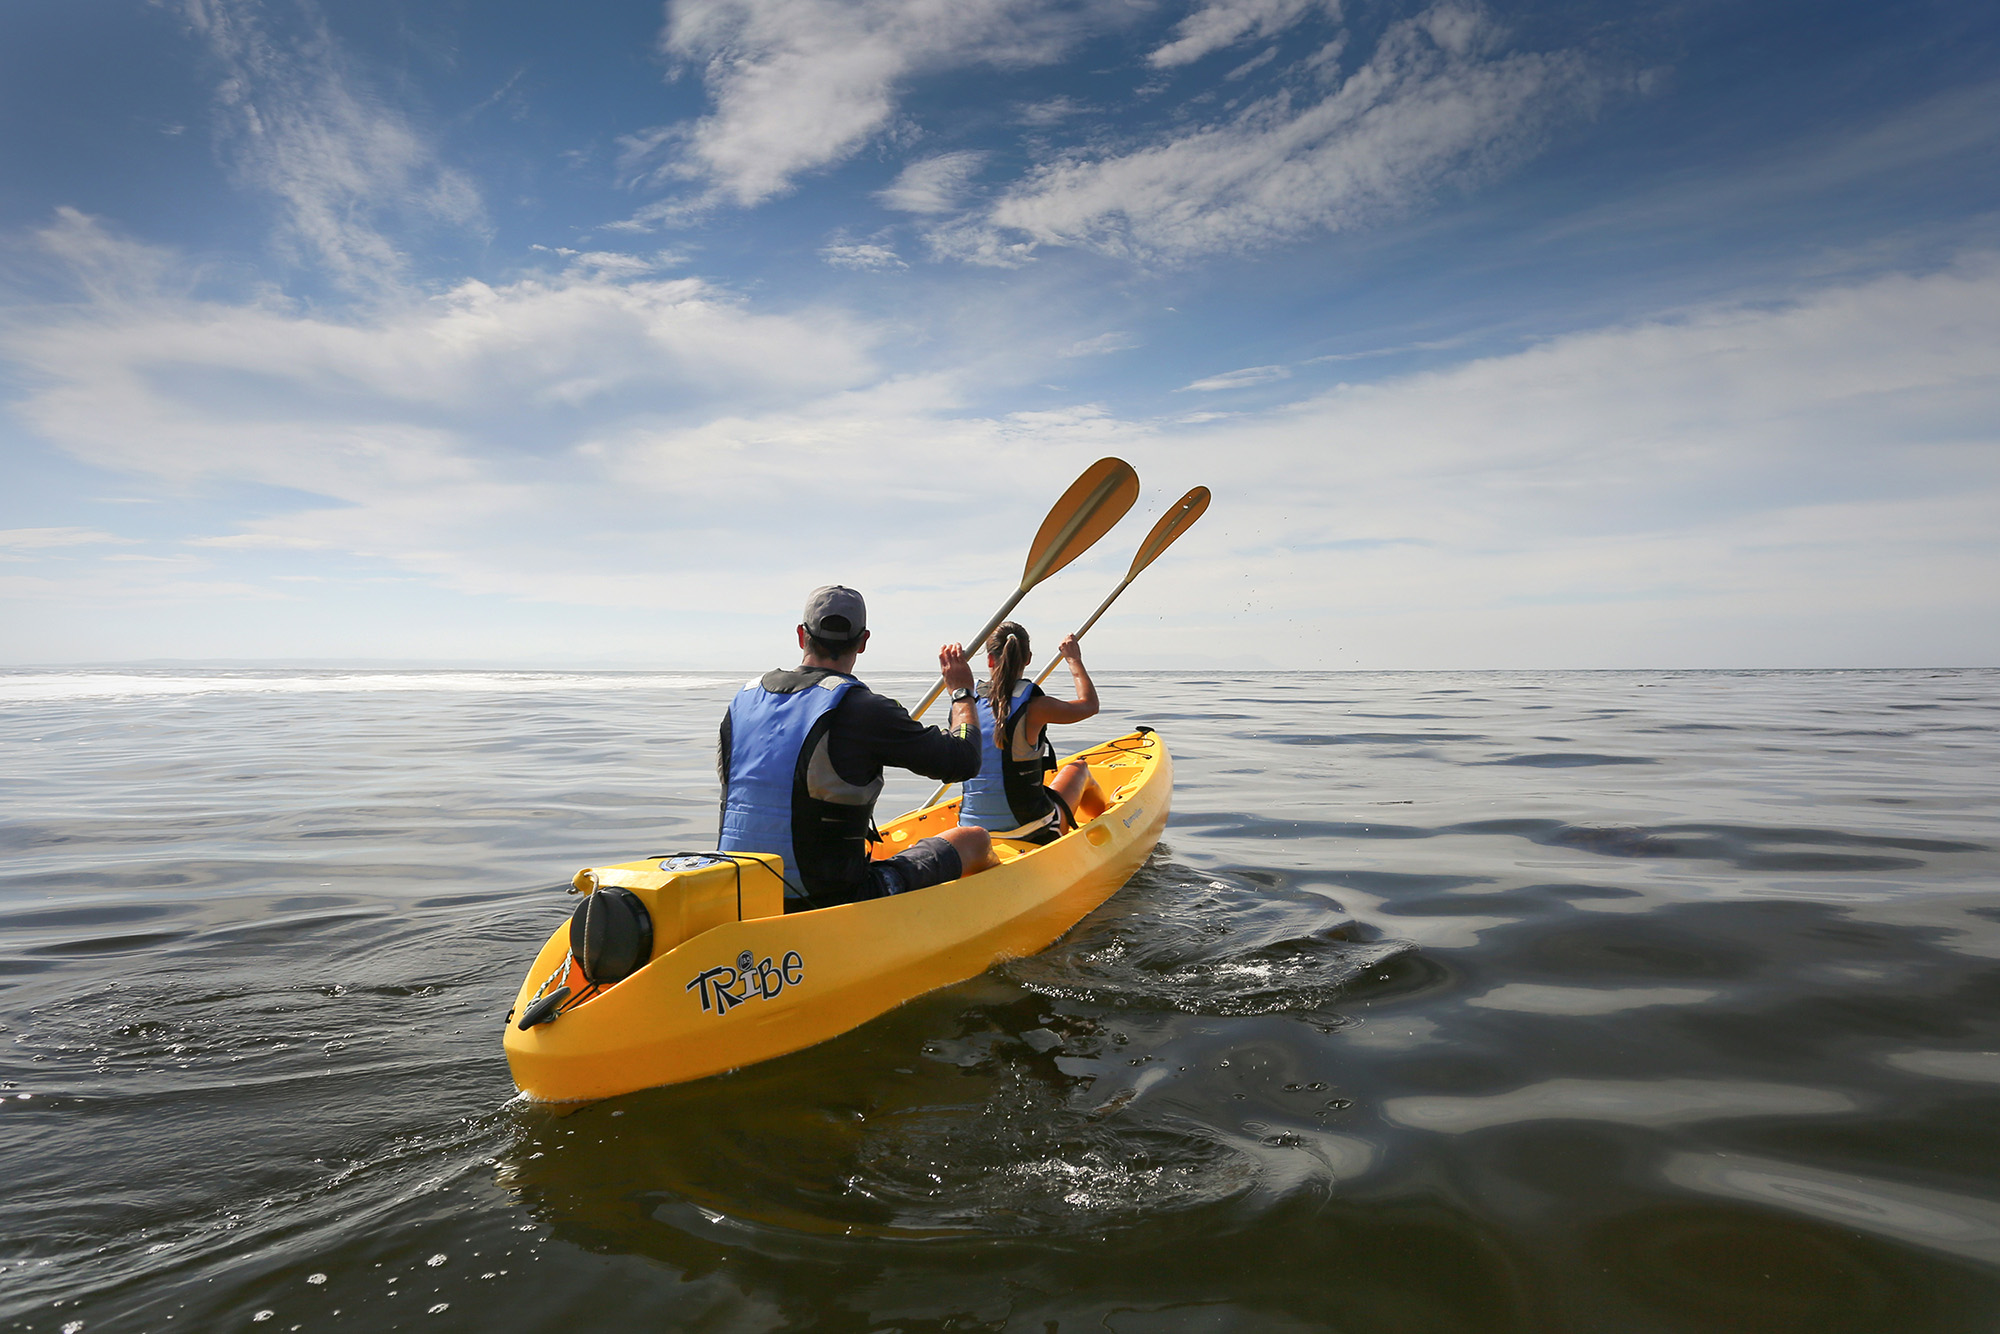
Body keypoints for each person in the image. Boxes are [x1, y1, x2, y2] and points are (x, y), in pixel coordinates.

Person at [717, 586, 995, 911]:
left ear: (800, 635)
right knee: (973, 839)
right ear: (863, 641)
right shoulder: (864, 709)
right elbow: (964, 760)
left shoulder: (742, 702)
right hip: (830, 901)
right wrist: (962, 693)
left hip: (737, 892)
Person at [955, 621, 1106, 844]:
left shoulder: (964, 706)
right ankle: (1109, 822)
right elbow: (1090, 705)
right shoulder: (1037, 707)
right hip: (1031, 830)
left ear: (989, 659)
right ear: (1027, 659)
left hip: (971, 831)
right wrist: (1073, 659)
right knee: (1079, 768)